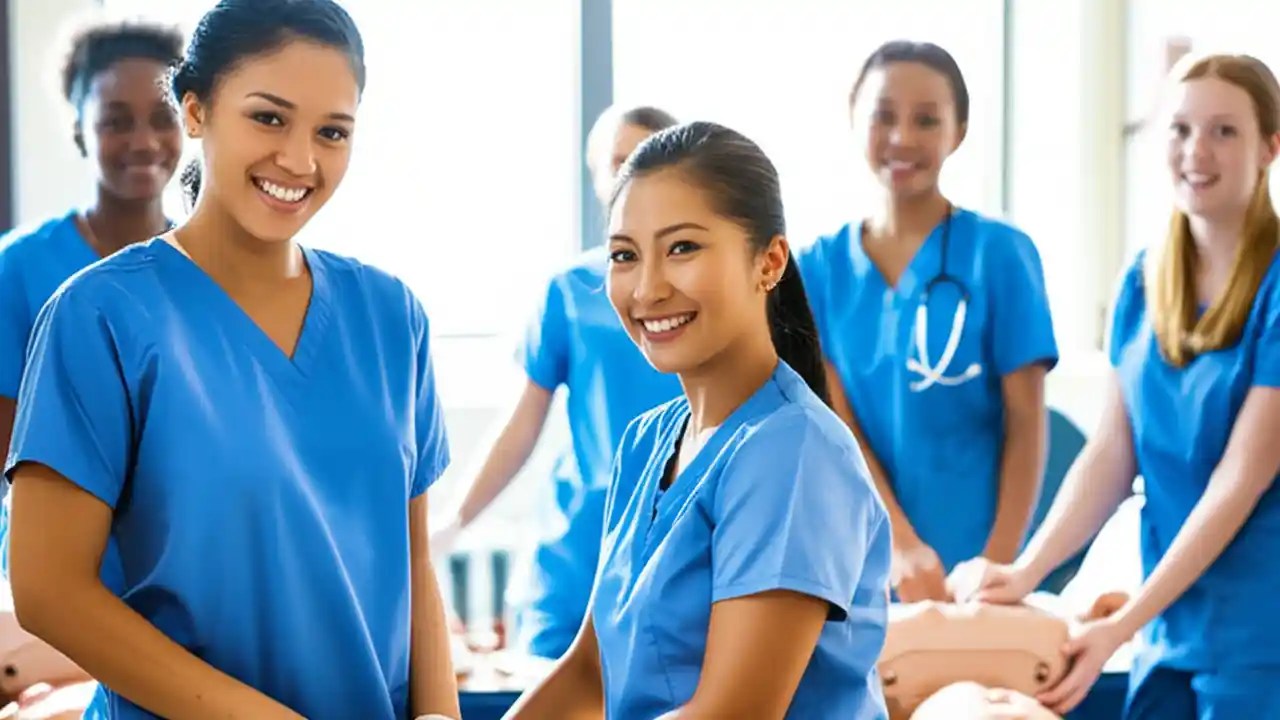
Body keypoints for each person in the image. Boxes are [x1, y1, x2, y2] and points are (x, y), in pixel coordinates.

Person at [4, 1, 459, 718]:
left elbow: (414, 563)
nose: (300, 160)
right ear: (194, 110)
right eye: (269, 118)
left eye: (332, 132)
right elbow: (48, 590)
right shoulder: (99, 316)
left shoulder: (391, 316)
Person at [504, 121, 892, 719]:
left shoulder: (794, 451)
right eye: (624, 256)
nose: (647, 287)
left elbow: (732, 714)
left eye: (682, 248)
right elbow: (589, 674)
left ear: (769, 262)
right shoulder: (646, 441)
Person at [958, 52, 1280, 718]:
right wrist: (1027, 570)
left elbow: (1240, 480)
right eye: (1181, 128)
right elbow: (1110, 455)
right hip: (1169, 628)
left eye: (1225, 131)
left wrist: (1122, 623)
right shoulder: (1143, 282)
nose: (1198, 150)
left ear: (1270, 147)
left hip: (1261, 632)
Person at [795, 40, 1058, 601]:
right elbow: (837, 429)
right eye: (884, 116)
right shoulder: (815, 269)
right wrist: (898, 543)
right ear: (853, 118)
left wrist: (998, 563)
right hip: (859, 557)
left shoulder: (1001, 255)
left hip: (977, 569)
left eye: (926, 120)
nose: (902, 138)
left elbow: (1027, 424)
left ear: (958, 131)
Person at [432, 105, 682, 659]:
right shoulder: (570, 291)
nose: (633, 174)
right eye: (619, 160)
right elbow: (522, 423)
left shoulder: (707, 292)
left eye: (652, 156)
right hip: (572, 556)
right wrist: (452, 525)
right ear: (596, 176)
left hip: (676, 551)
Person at [0, 17, 185, 711]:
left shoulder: (212, 271)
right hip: (57, 585)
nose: (141, 140)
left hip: (176, 578)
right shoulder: (20, 269)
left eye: (161, 116)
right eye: (114, 120)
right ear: (79, 131)